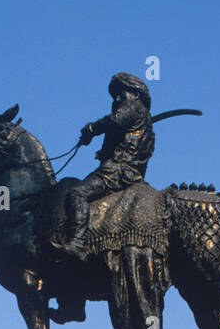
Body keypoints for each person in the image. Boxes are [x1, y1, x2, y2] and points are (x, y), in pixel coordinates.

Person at [55, 73, 155, 262]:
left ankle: (77, 242)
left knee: (77, 192)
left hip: (117, 171)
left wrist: (91, 129)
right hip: (132, 172)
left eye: (120, 93)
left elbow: (115, 120)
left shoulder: (132, 106)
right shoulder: (143, 119)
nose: (117, 99)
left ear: (134, 93)